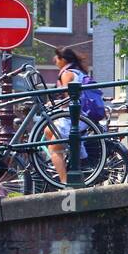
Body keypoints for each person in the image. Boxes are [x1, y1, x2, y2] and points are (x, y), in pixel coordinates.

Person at [46, 48, 104, 183]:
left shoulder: (66, 73)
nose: (55, 60)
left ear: (63, 59)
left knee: (53, 148)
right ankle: (72, 154)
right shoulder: (78, 72)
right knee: (48, 130)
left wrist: (54, 104)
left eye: (57, 58)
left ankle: (65, 182)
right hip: (84, 115)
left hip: (77, 116)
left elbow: (69, 98)